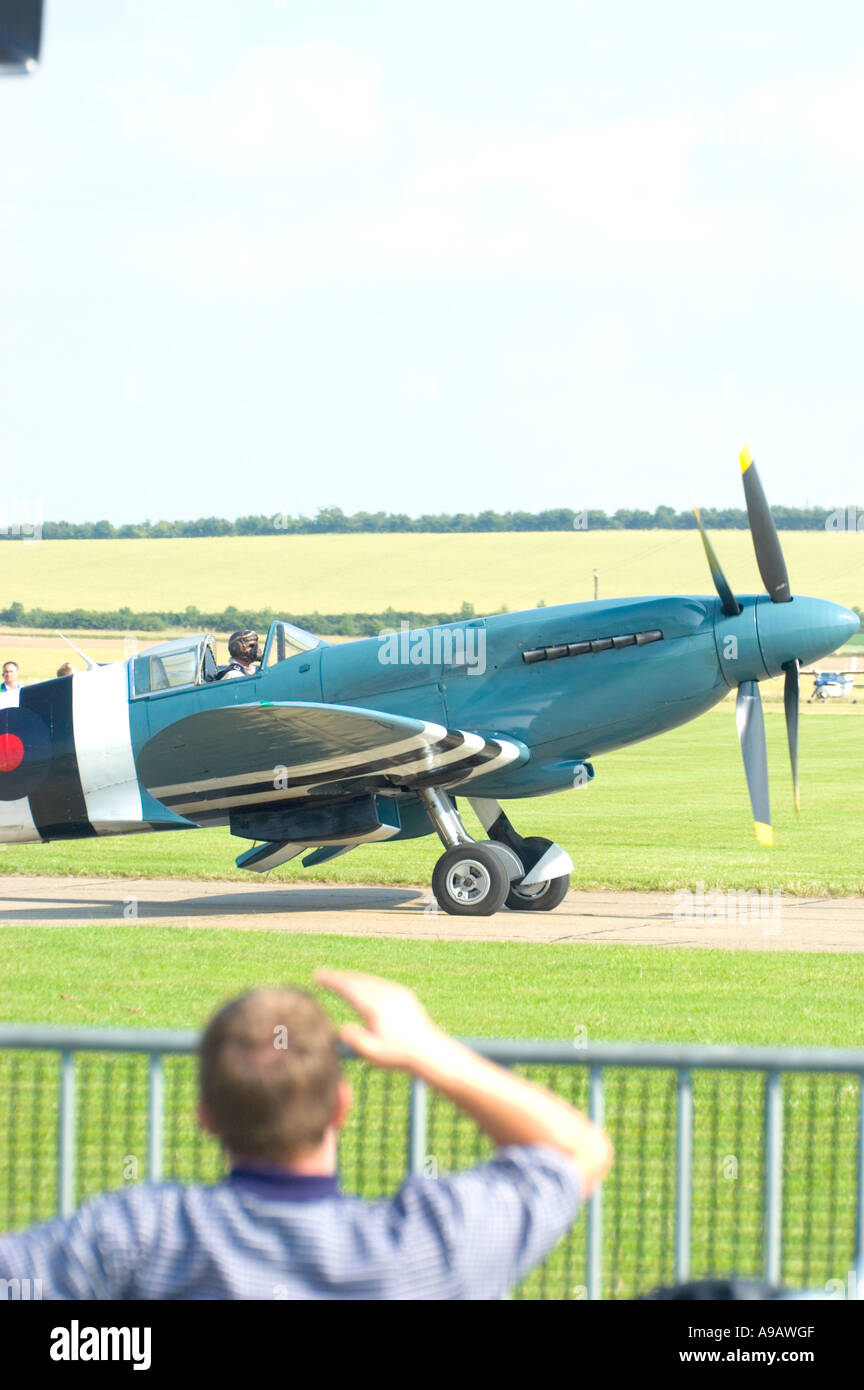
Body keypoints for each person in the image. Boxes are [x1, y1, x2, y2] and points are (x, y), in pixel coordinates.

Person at [0, 971, 612, 1300]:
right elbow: (579, 1151)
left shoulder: (140, 1237)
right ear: (342, 1107)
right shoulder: (430, 1249)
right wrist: (431, 1053)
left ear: (204, 1115)